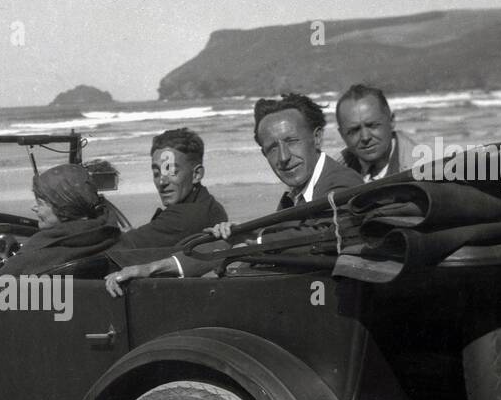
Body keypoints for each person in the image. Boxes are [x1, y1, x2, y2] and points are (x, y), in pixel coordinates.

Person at [103, 93, 361, 294]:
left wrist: (250, 237)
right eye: (272, 148)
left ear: (317, 138)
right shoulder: (297, 194)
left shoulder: (341, 183)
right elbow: (234, 245)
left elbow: (323, 235)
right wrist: (153, 268)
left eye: (292, 141)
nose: (283, 157)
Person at [110, 128, 227, 250]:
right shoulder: (210, 205)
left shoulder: (181, 219)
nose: (162, 182)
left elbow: (115, 248)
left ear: (196, 174)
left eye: (171, 172)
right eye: (156, 173)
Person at [0, 163, 121, 275]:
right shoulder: (113, 237)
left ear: (63, 209)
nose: (34, 208)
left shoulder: (30, 258)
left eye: (40, 203)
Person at [335, 84, 416, 182]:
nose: (365, 137)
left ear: (391, 121)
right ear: (342, 134)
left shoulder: (423, 172)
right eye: (354, 130)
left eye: (372, 126)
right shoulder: (332, 177)